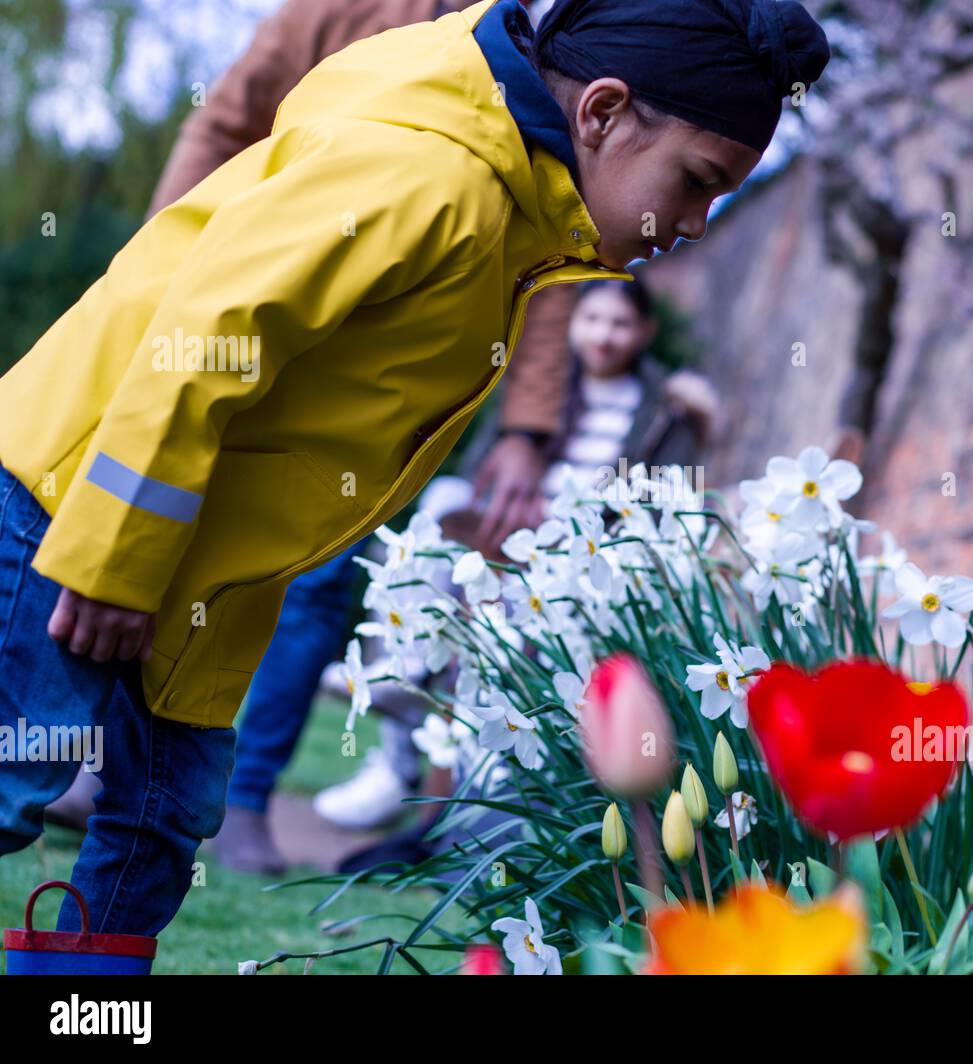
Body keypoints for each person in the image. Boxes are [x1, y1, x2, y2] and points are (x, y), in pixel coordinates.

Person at [0, 0, 829, 943]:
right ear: (601, 111)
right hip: (77, 508)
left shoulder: (524, 195)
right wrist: (113, 560)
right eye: (695, 182)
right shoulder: (426, 171)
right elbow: (206, 337)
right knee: (13, 783)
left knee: (161, 823)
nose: (694, 224)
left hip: (204, 559)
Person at [32, 0, 581, 876]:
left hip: (366, 389)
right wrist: (160, 275)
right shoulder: (331, 16)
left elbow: (551, 259)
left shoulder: (535, 55)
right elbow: (221, 126)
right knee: (149, 543)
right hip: (254, 319)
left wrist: (527, 427)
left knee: (312, 582)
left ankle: (239, 796)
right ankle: (90, 757)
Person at [316, 275, 718, 846]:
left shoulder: (667, 414)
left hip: (580, 564)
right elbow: (480, 476)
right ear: (573, 325)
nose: (604, 335)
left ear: (646, 332)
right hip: (499, 542)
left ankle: (435, 766)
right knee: (444, 502)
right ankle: (399, 688)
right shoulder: (536, 392)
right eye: (593, 319)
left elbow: (659, 511)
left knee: (488, 624)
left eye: (620, 323)